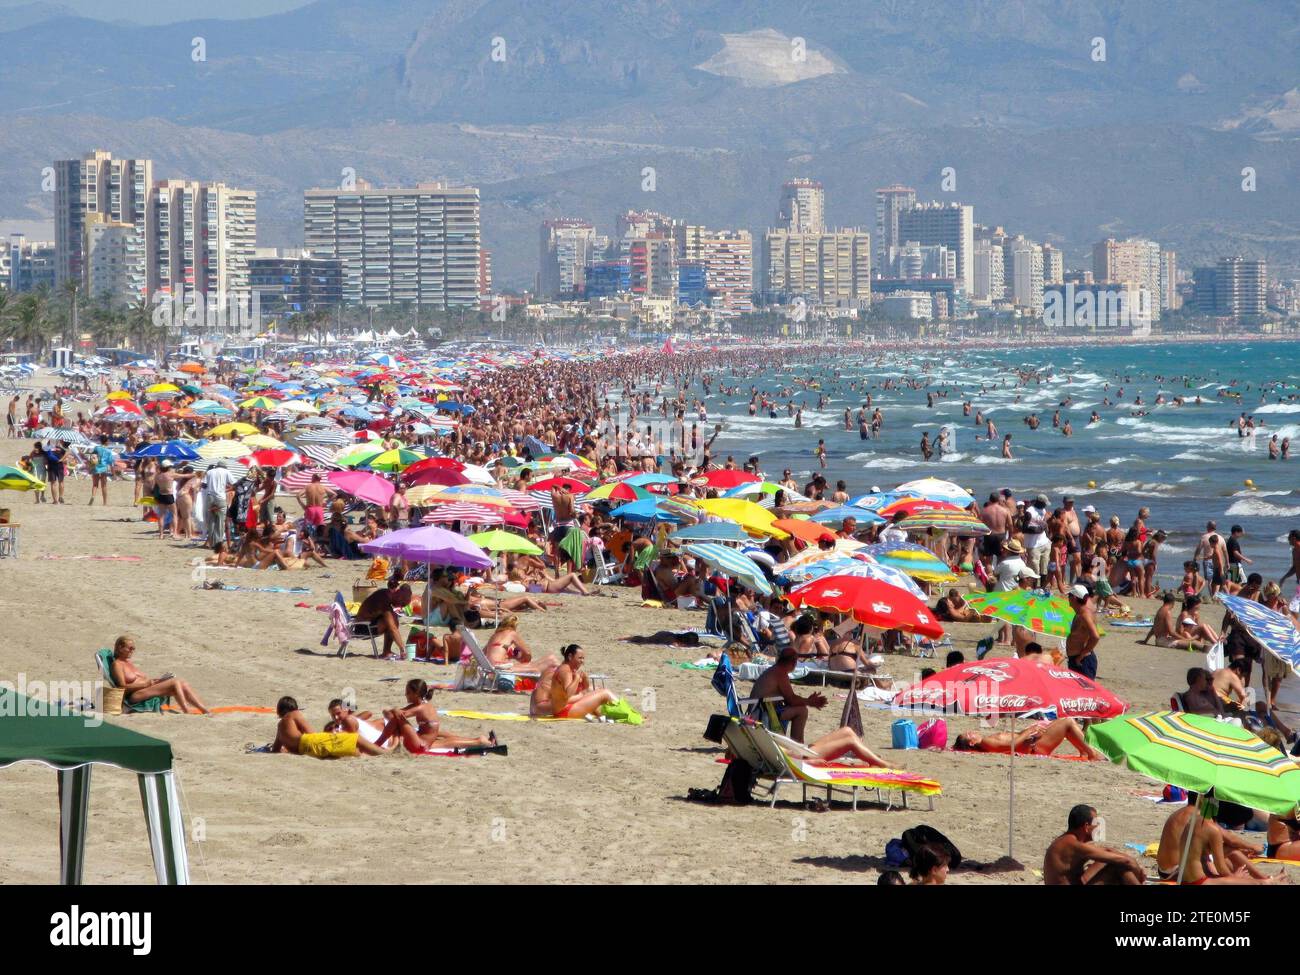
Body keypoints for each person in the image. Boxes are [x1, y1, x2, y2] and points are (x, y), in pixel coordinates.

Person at [1155, 794, 1280, 884]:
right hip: (1178, 872)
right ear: (1204, 799)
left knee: (1227, 852)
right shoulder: (1199, 817)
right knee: (1230, 851)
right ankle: (1263, 878)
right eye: (1215, 800)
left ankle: (1263, 878)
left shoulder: (1181, 813)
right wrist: (1252, 847)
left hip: (1164, 870)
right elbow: (1229, 839)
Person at [375, 679, 499, 753]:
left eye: (408, 692)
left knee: (399, 718)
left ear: (416, 694)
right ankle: (479, 741)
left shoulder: (420, 708)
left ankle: (378, 744)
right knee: (447, 741)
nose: (405, 695)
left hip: (421, 744)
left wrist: (393, 710)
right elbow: (393, 714)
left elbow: (396, 715)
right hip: (426, 741)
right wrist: (393, 711)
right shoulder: (422, 704)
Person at [1043, 804, 1145, 885]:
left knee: (1108, 861)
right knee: (1119, 867)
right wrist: (1138, 870)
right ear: (1086, 827)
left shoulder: (1068, 840)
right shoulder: (1074, 845)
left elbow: (1107, 852)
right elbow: (1126, 861)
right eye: (1096, 824)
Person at [110, 635, 210, 714]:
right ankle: (186, 710)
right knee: (175, 682)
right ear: (120, 647)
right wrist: (145, 684)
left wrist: (156, 681)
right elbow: (121, 686)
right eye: (130, 648)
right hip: (134, 696)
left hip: (145, 689)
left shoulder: (128, 662)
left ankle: (204, 710)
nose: (132, 651)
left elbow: (141, 680)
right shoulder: (117, 664)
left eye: (134, 649)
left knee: (182, 683)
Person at [271, 696, 388, 757]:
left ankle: (376, 752)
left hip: (305, 750)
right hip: (311, 743)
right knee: (356, 739)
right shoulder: (294, 714)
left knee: (352, 747)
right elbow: (312, 735)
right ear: (295, 708)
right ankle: (384, 753)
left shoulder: (280, 727)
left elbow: (275, 749)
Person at [953, 716, 1101, 759]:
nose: (971, 731)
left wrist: (1028, 732)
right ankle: (1092, 753)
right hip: (1034, 746)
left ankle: (1085, 751)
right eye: (968, 734)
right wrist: (1029, 731)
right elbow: (1012, 744)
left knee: (1064, 723)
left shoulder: (987, 742)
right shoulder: (986, 742)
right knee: (1068, 722)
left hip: (1031, 743)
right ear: (971, 743)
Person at [533, 644, 618, 718]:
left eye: (583, 658)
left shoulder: (565, 669)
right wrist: (578, 682)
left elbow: (585, 688)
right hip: (545, 708)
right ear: (570, 657)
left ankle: (603, 712)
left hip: (552, 707)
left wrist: (584, 680)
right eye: (580, 658)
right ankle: (623, 709)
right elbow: (567, 694)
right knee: (604, 693)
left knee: (593, 691)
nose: (582, 662)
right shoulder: (565, 671)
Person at [354, 580, 414, 658]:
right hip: (362, 629)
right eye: (402, 603)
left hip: (368, 624)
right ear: (398, 594)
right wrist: (403, 649)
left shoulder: (387, 594)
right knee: (391, 622)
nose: (400, 606)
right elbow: (393, 628)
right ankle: (387, 652)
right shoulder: (384, 599)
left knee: (393, 618)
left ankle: (387, 651)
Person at [1065, 584, 1100, 678]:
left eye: (1069, 596)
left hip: (1082, 661)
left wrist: (1083, 654)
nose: (1068, 598)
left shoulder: (1084, 615)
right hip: (1077, 659)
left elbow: (1095, 636)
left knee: (1085, 691)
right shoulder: (1080, 612)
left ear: (1074, 598)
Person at [89, 435, 113, 506]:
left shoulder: (96, 448)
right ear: (106, 441)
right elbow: (111, 462)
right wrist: (113, 472)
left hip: (96, 468)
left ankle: (93, 496)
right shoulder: (108, 451)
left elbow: (93, 458)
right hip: (103, 469)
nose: (109, 442)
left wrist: (90, 468)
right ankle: (105, 502)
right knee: (104, 486)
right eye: (108, 441)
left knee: (95, 485)